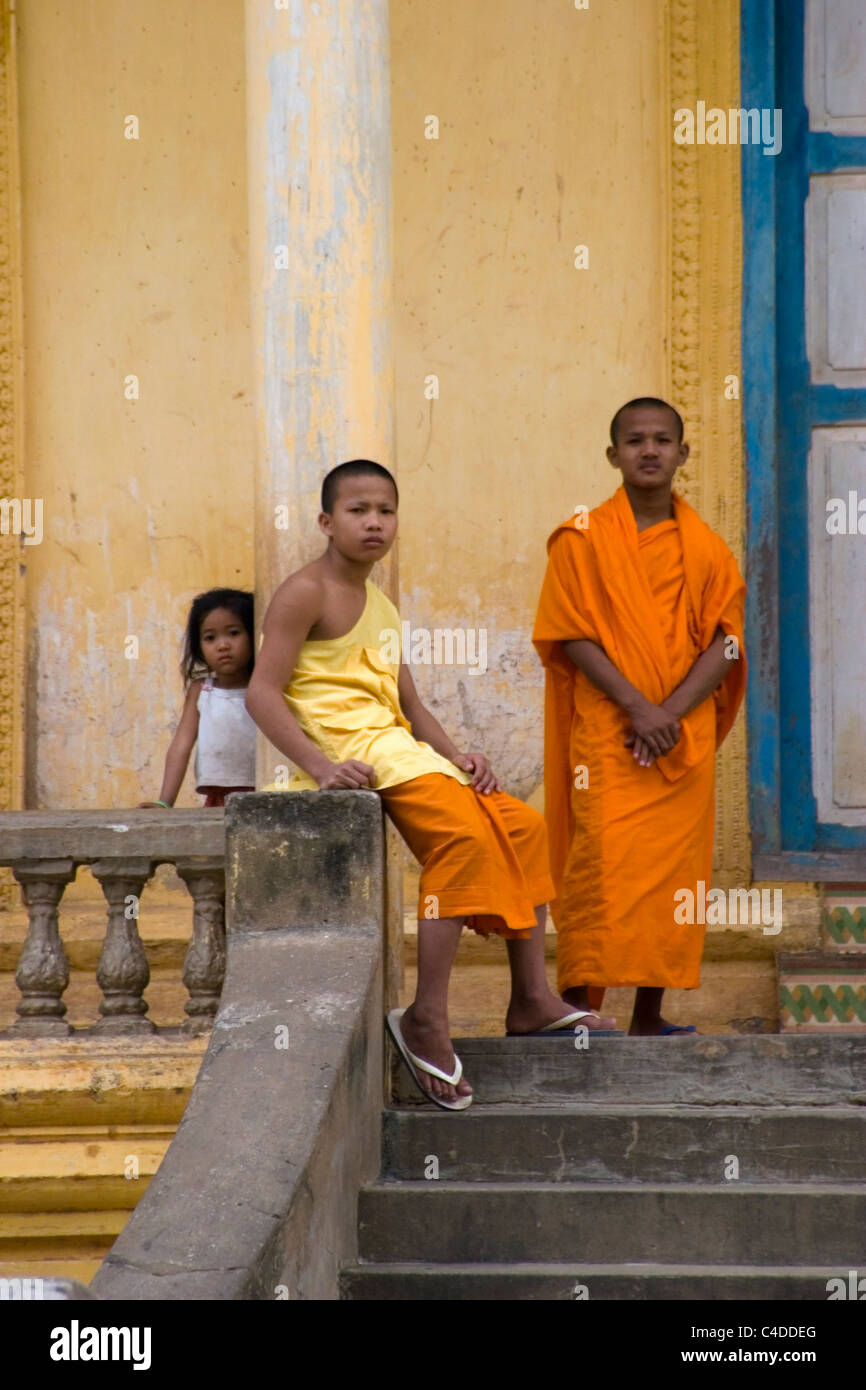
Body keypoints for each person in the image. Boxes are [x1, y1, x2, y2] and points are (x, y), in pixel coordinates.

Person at [245, 458, 615, 1112]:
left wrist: (461, 757)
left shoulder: (382, 605)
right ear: (327, 522)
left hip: (403, 750)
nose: (374, 522)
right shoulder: (305, 592)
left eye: (385, 511)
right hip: (355, 753)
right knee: (462, 843)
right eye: (358, 511)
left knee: (524, 826)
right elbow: (262, 693)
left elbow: (411, 707)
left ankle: (530, 998)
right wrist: (324, 766)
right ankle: (427, 1018)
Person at [532, 398, 746, 1036]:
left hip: (680, 738)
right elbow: (570, 635)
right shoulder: (581, 538)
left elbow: (727, 642)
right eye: (634, 441)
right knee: (597, 866)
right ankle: (577, 1008)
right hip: (609, 731)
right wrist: (639, 708)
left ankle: (650, 1013)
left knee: (672, 876)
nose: (648, 451)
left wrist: (671, 714)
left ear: (683, 453)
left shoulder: (708, 550)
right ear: (613, 455)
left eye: (661, 440)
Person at [139, 588, 256, 810]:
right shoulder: (201, 690)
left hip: (265, 794)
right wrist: (164, 802)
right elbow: (181, 746)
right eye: (210, 638)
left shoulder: (263, 688)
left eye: (233, 633)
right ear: (199, 646)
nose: (223, 645)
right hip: (218, 799)